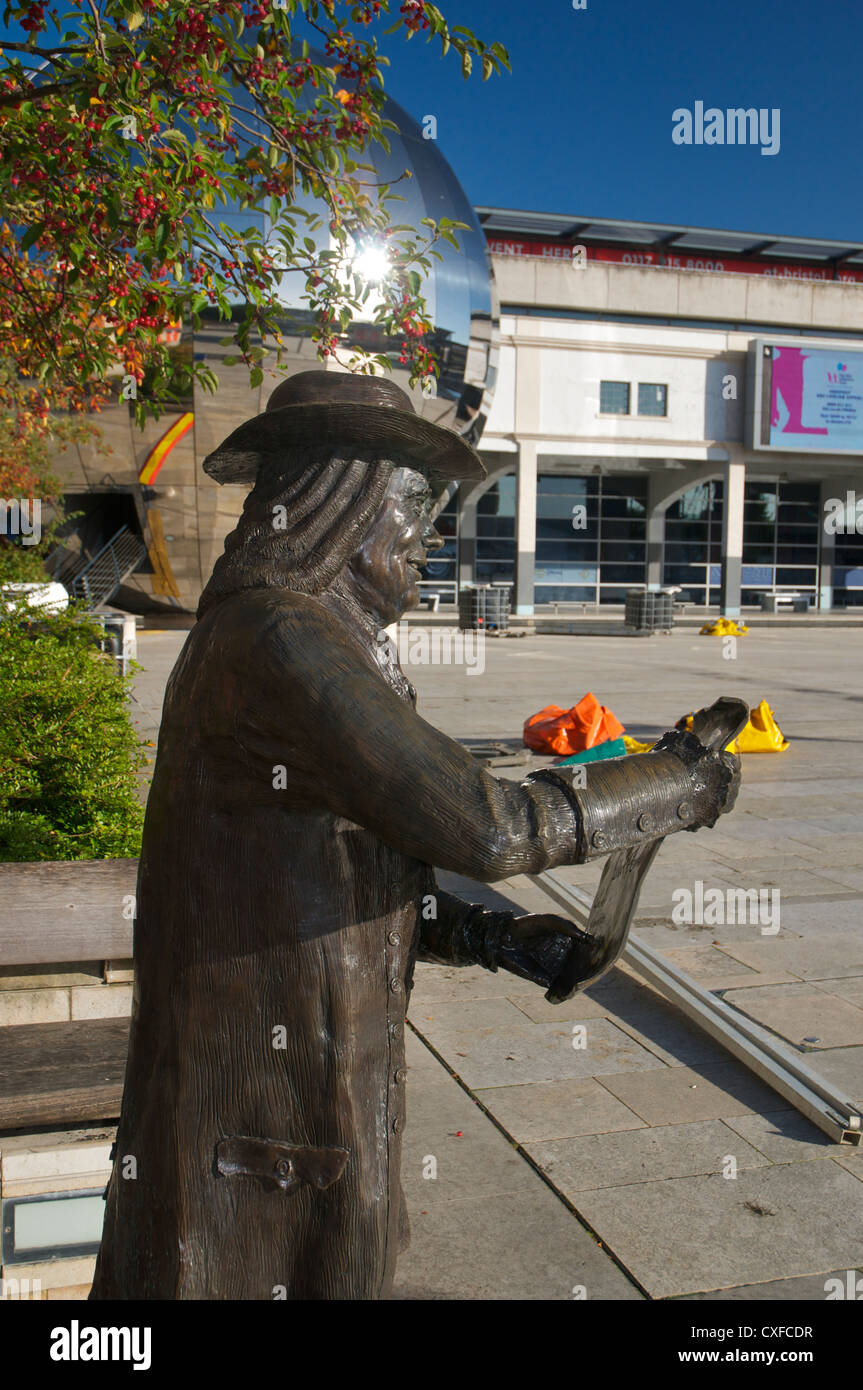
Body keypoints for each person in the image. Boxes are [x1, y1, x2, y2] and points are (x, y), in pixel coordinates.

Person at [90, 370, 739, 1301]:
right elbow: (489, 823)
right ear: (341, 508)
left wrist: (493, 937)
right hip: (252, 1115)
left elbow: (349, 862)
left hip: (315, 1092)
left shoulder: (313, 638)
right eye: (413, 511)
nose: (431, 539)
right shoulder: (279, 642)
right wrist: (680, 780)